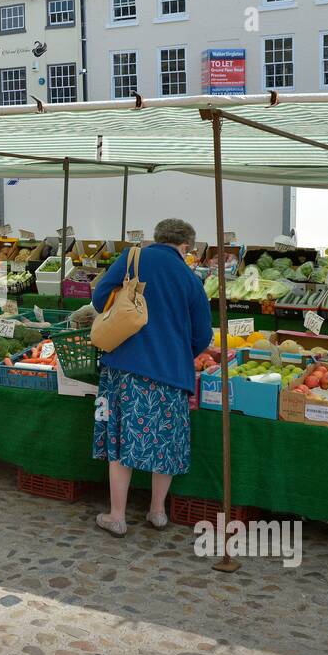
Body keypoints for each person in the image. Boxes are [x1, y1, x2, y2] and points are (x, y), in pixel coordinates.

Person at [89, 219, 213, 537]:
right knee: (166, 443)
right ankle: (157, 511)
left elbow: (100, 295)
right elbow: (202, 336)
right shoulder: (190, 279)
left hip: (123, 367)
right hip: (170, 373)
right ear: (186, 246)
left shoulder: (133, 258)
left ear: (156, 238)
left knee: (119, 438)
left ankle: (117, 516)